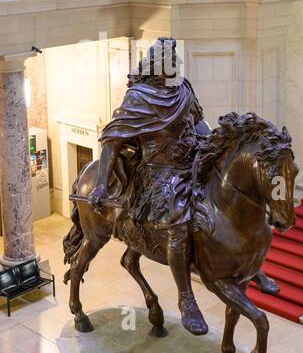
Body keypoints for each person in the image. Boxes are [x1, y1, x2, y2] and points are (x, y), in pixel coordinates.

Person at [88, 37, 211, 335]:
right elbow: (112, 141)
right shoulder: (139, 97)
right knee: (179, 222)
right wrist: (101, 185)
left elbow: (198, 122)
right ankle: (186, 298)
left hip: (192, 161)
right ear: (159, 66)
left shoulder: (183, 89)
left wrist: (211, 144)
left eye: (179, 62)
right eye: (174, 62)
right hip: (159, 173)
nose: (179, 66)